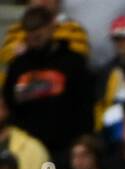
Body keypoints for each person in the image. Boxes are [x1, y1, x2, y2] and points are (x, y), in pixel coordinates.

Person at [2, 6, 95, 157]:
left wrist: (84, 138)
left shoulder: (73, 62)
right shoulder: (18, 66)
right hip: (28, 150)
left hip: (65, 149)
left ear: (52, 27)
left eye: (39, 30)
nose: (35, 36)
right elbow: (10, 104)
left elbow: (85, 102)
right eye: (31, 32)